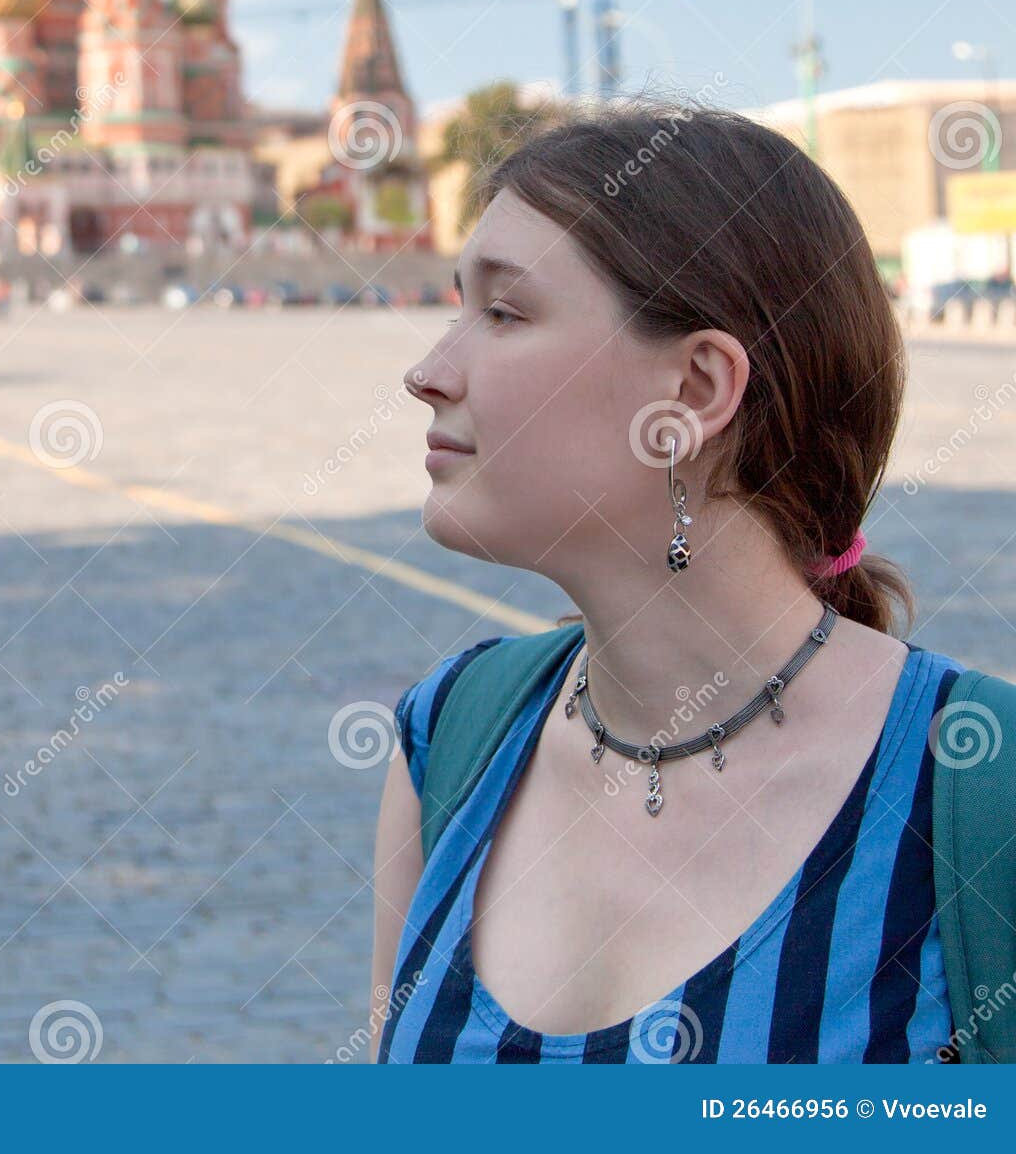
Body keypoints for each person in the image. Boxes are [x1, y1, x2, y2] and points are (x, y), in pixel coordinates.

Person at [371, 99, 991, 1064]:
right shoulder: (448, 737)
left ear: (696, 392)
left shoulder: (969, 789)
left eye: (503, 310)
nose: (427, 371)